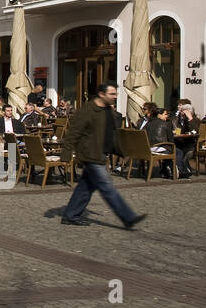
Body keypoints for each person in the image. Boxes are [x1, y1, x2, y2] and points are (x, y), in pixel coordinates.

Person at [61, 84, 145, 229]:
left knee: (85, 187)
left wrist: (120, 148)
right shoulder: (88, 110)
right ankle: (128, 217)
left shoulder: (107, 110)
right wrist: (66, 154)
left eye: (115, 94)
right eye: (111, 94)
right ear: (101, 94)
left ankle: (70, 215)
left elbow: (112, 132)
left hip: (101, 153)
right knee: (106, 186)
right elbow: (73, 132)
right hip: (90, 154)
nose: (115, 96)